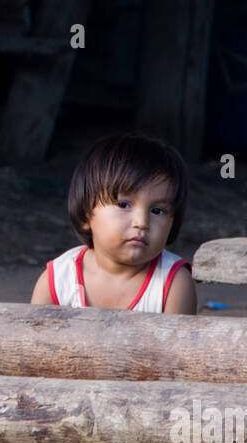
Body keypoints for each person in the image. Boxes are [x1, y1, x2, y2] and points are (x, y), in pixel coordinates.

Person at [31, 132, 197, 314]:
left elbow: (177, 342)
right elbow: (35, 340)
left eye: (157, 211)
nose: (141, 222)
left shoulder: (174, 284)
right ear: (87, 214)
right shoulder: (58, 281)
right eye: (124, 205)